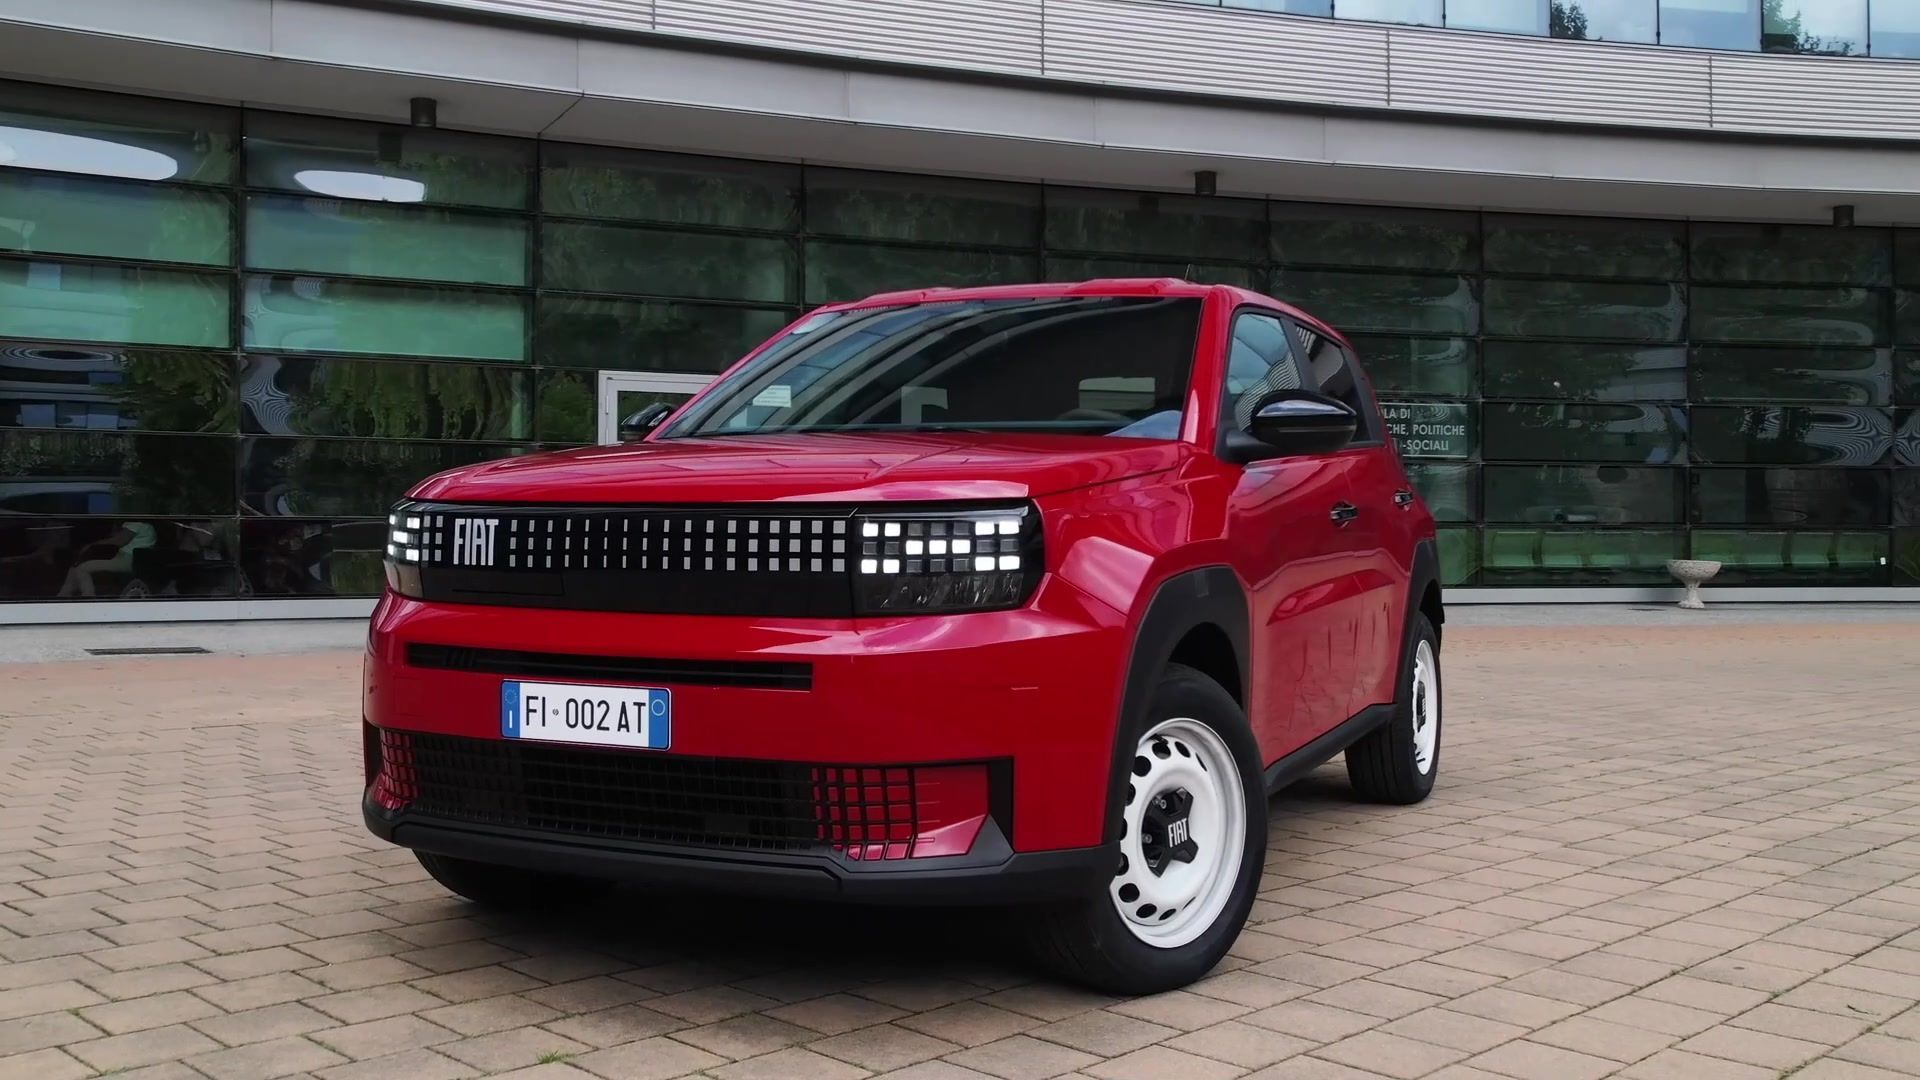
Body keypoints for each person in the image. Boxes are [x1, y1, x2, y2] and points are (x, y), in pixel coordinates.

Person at [57, 521, 157, 597]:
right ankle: (61, 598)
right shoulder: (147, 526)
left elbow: (119, 541)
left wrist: (92, 544)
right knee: (74, 570)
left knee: (82, 568)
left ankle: (88, 597)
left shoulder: (137, 524)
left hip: (128, 560)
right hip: (128, 559)